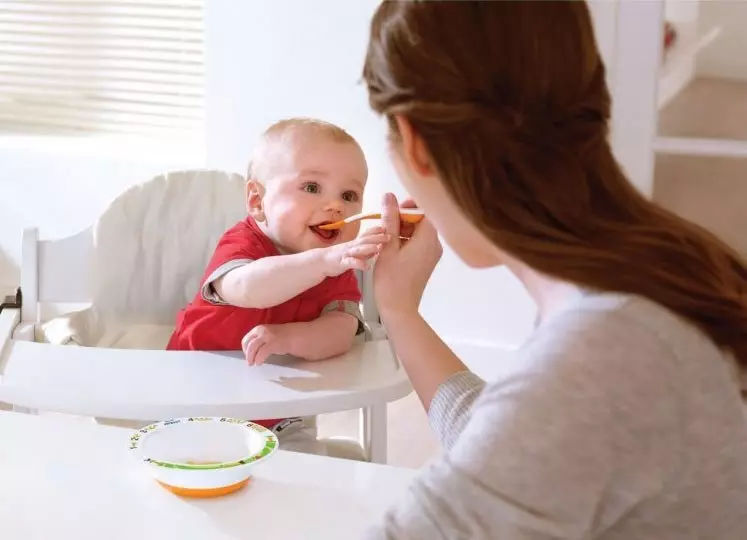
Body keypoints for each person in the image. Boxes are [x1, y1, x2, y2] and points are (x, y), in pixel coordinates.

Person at [360, 2, 747, 539]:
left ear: (414, 142)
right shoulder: (670, 265)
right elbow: (522, 451)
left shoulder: (609, 349)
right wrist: (400, 311)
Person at [168, 117, 387, 453]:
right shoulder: (243, 244)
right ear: (257, 201)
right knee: (182, 464)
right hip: (194, 399)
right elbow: (247, 289)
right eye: (312, 188)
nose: (335, 206)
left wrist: (287, 338)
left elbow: (341, 329)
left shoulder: (334, 264)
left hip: (282, 413)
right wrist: (322, 263)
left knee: (302, 467)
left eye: (349, 194)